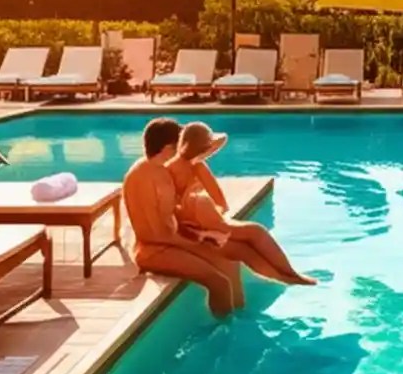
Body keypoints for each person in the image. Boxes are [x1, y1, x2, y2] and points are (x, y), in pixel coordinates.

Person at [123, 118, 265, 317]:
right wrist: (198, 241)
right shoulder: (147, 177)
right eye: (180, 144)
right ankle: (225, 331)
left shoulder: (155, 168)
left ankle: (242, 317)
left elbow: (210, 146)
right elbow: (155, 235)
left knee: (230, 262)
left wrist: (202, 232)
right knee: (219, 282)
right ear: (168, 147)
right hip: (153, 250)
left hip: (170, 241)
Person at [168, 122, 316, 286]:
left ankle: (289, 275)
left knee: (253, 236)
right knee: (254, 236)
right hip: (186, 229)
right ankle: (288, 276)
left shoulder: (197, 167)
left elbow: (221, 203)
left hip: (207, 221)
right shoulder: (168, 172)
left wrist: (210, 215)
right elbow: (166, 211)